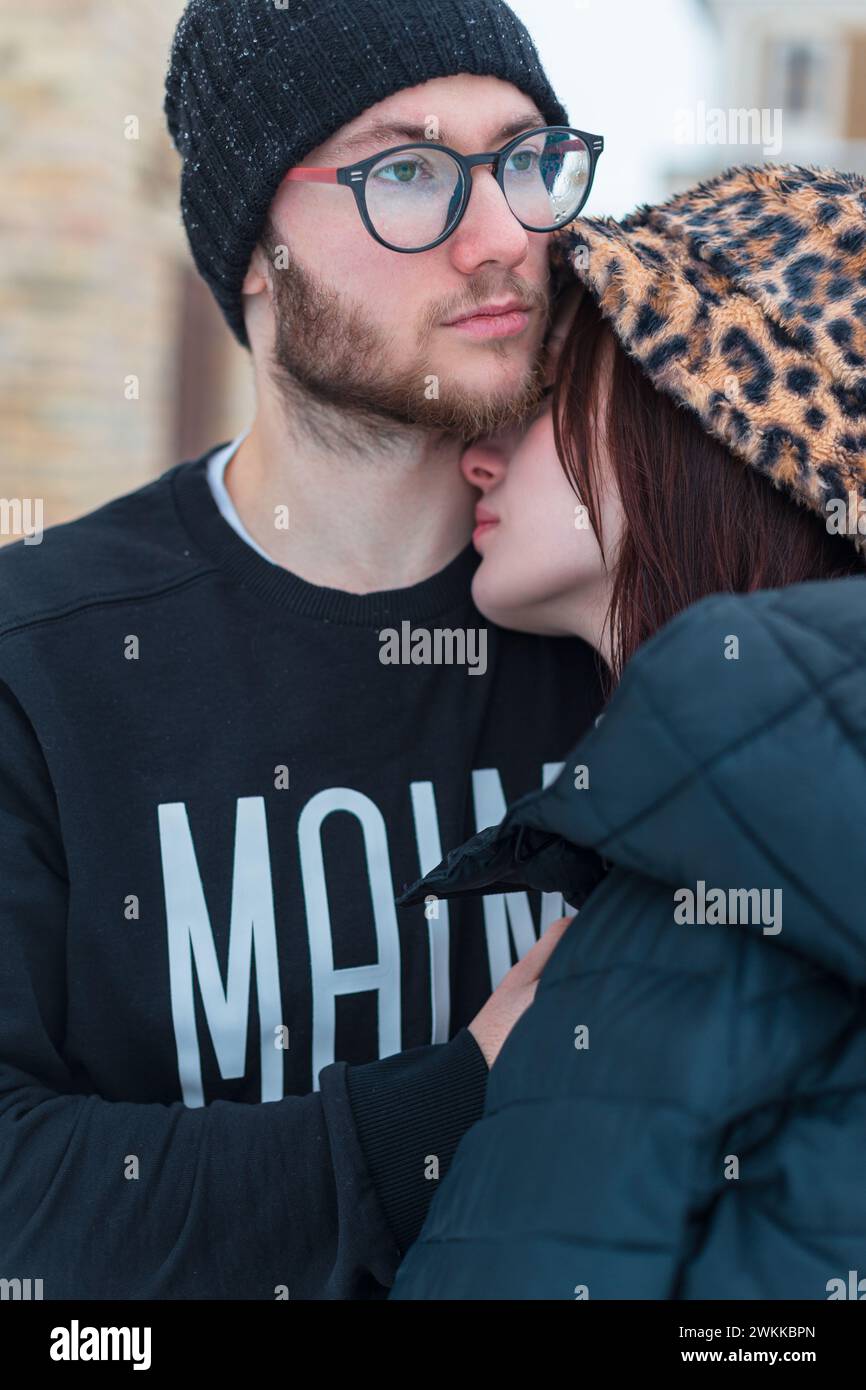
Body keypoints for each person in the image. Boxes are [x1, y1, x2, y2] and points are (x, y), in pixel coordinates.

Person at [0, 0, 605, 1299]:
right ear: (258, 248)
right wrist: (442, 1112)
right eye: (407, 170)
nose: (502, 234)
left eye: (524, 160)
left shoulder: (623, 624)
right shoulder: (43, 663)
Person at [390, 163, 866, 1299]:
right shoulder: (742, 831)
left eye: (550, 391)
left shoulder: (714, 902)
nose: (478, 453)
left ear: (707, 422)